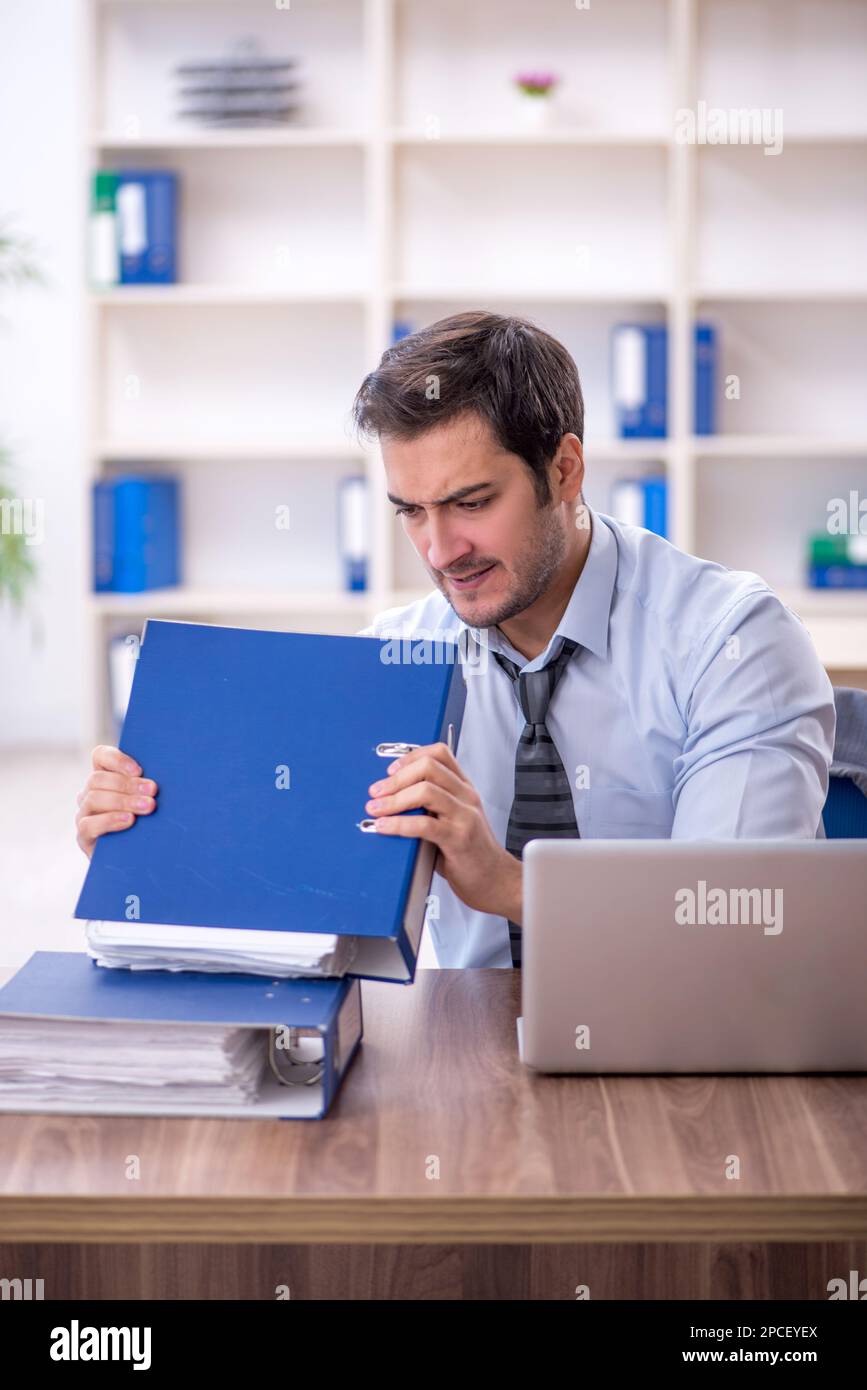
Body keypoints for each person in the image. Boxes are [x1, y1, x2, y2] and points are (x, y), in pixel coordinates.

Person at [75, 311, 835, 969]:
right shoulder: (390, 661)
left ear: (563, 469)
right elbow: (299, 920)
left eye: (470, 503)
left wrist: (503, 884)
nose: (439, 551)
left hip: (693, 1061)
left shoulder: (731, 642)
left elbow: (736, 926)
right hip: (465, 1050)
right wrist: (151, 850)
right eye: (411, 511)